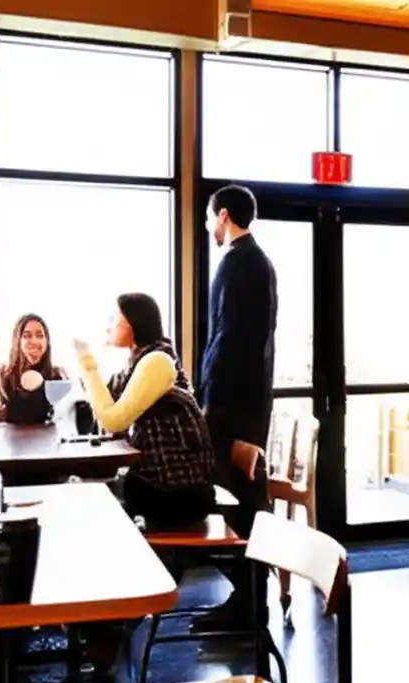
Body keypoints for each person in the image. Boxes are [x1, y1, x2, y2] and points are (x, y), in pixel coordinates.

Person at [194, 184, 278, 633]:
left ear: (223, 216)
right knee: (242, 508)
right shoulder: (257, 262)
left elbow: (229, 342)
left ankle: (249, 608)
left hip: (231, 410)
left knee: (236, 508)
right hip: (243, 409)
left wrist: (209, 405)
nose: (209, 225)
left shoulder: (239, 262)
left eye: (210, 217)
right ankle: (245, 603)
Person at [73, 293, 215, 528]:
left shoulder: (157, 361)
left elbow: (113, 421)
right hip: (157, 484)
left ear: (132, 323)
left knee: (90, 496)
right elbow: (105, 406)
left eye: (114, 318)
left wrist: (87, 361)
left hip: (178, 492)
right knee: (88, 489)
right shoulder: (136, 361)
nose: (108, 325)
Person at [0, 313, 69, 425]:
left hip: (48, 441)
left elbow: (65, 419)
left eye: (40, 335)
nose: (34, 341)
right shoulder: (2, 376)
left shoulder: (57, 377)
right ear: (17, 341)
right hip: (11, 441)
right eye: (27, 336)